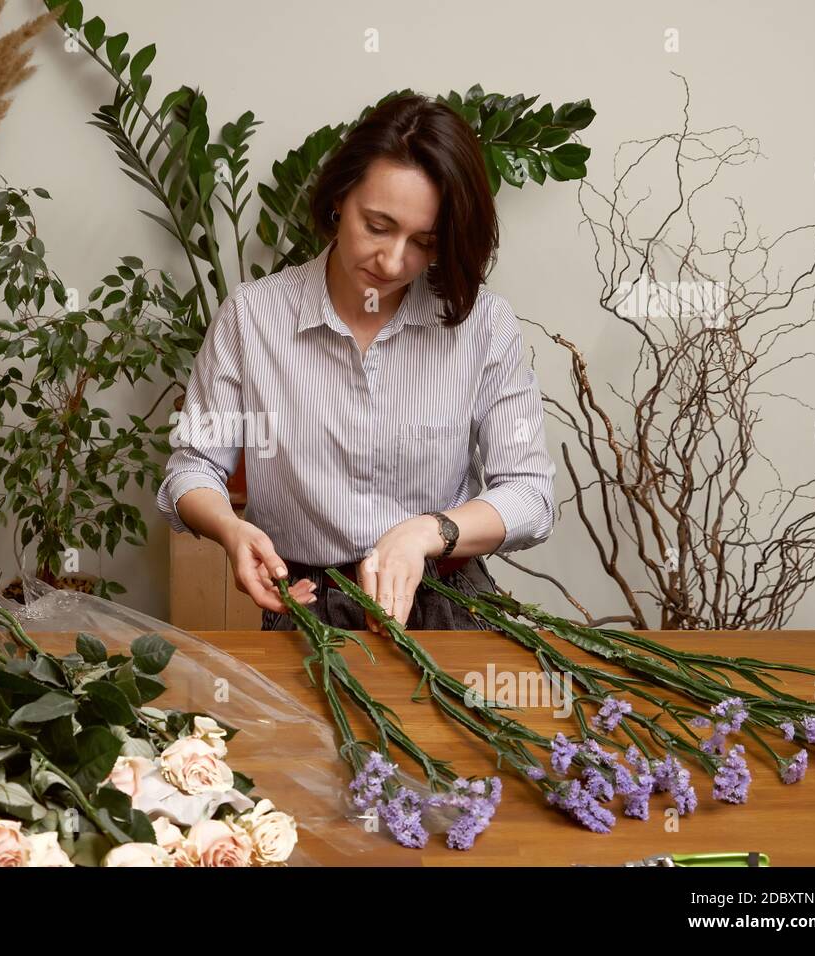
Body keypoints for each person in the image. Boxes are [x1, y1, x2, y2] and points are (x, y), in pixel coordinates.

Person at [155, 93, 556, 633]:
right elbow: (193, 467)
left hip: (447, 601)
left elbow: (530, 495)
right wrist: (230, 528)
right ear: (340, 197)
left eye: (424, 241)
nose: (393, 262)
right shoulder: (253, 318)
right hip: (308, 608)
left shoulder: (481, 325)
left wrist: (426, 534)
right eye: (378, 225)